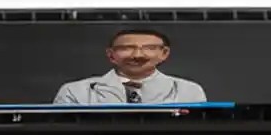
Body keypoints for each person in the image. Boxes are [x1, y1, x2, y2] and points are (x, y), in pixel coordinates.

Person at [53, 28, 207, 104]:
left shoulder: (189, 91)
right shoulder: (74, 91)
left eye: (149, 48)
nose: (137, 55)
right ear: (111, 54)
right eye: (127, 48)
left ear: (164, 53)